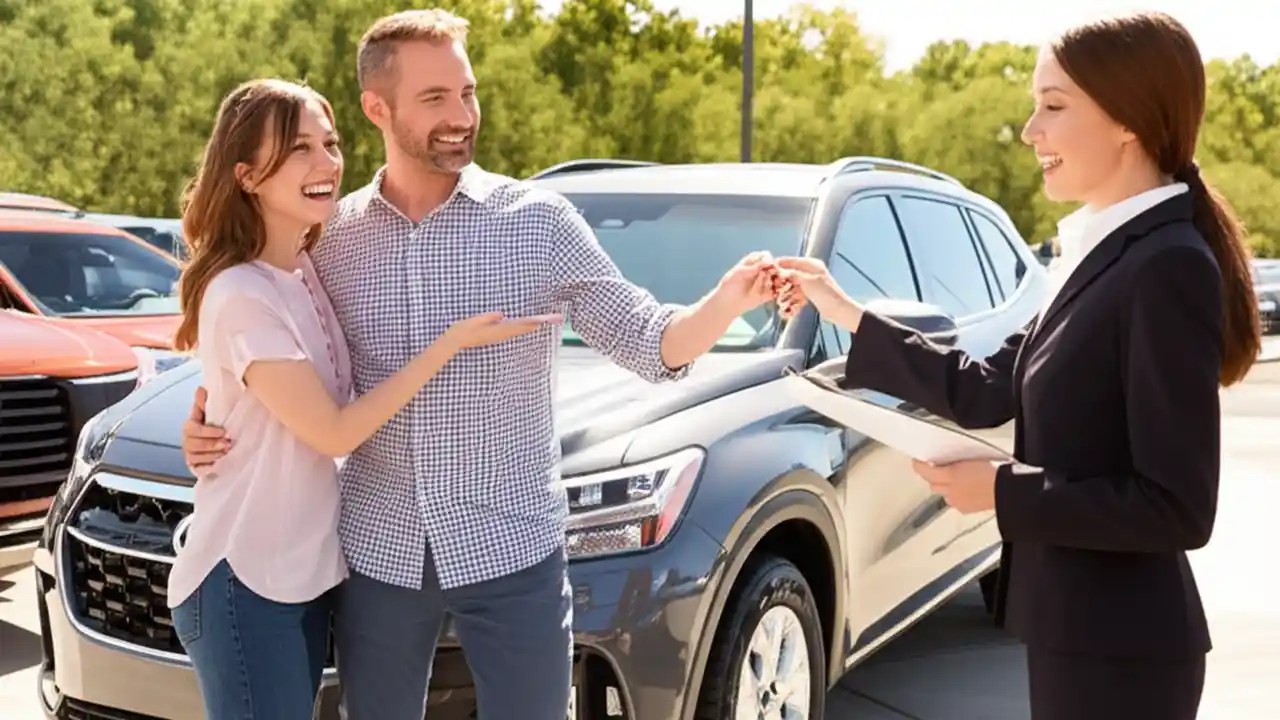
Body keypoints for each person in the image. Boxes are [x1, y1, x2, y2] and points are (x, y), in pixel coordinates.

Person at [179, 10, 779, 720]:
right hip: (378, 547)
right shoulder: (329, 237)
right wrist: (210, 415)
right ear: (379, 107)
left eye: (467, 93)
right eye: (435, 98)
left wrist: (724, 302)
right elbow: (262, 329)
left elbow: (650, 341)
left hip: (511, 544)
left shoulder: (538, 223)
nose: (462, 115)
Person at [775, 11, 1260, 720]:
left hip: (1124, 657)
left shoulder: (1167, 266)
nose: (1030, 131)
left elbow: (1177, 507)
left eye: (1053, 107)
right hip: (1075, 636)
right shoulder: (1102, 253)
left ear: (1128, 120)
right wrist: (844, 310)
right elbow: (982, 388)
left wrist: (1003, 493)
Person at [166, 78, 549, 720]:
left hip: (307, 575)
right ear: (247, 175)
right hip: (244, 579)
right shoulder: (240, 293)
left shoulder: (304, 268)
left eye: (331, 142)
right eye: (298, 151)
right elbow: (336, 431)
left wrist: (202, 422)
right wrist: (447, 344)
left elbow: (242, 400)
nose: (326, 164)